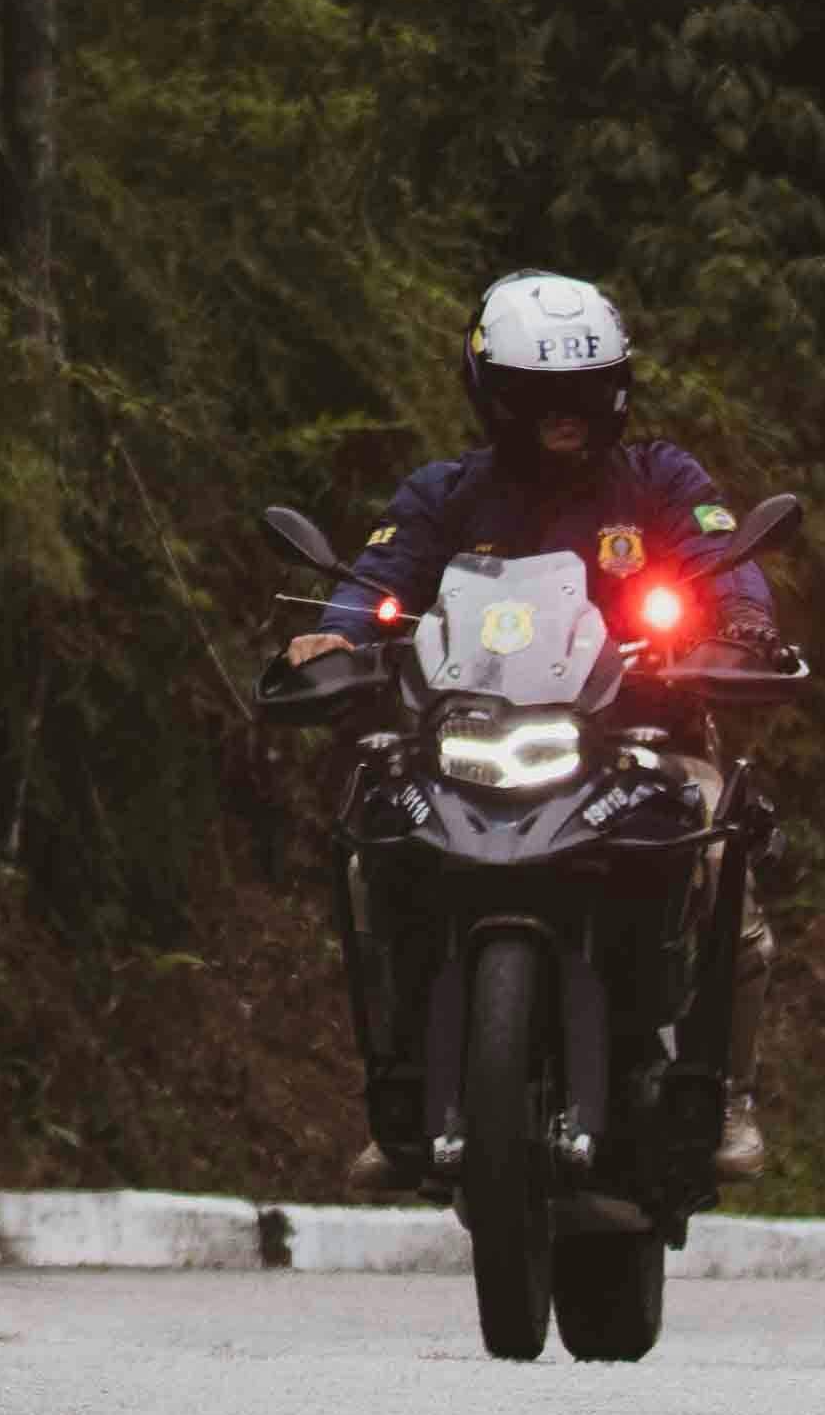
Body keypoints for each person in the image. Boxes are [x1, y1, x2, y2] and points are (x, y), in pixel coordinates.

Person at [286, 271, 782, 1193]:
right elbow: (377, 578)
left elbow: (721, 557)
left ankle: (726, 1095)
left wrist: (742, 622)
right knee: (367, 858)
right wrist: (337, 635)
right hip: (464, 746)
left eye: (586, 392)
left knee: (721, 848)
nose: (567, 416)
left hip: (643, 745)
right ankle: (400, 1085)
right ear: (490, 394)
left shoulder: (662, 481)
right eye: (540, 395)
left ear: (617, 389)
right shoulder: (444, 494)